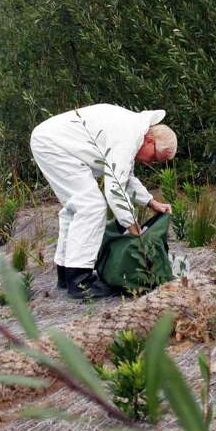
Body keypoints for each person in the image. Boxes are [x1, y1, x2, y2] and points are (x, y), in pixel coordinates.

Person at [29, 104, 177, 299]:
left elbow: (126, 177)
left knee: (76, 208)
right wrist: (134, 229)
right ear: (149, 141)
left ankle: (65, 274)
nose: (151, 163)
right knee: (91, 206)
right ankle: (80, 281)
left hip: (51, 141)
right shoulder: (128, 135)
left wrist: (151, 202)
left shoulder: (132, 130)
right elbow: (115, 189)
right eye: (155, 158)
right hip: (53, 144)